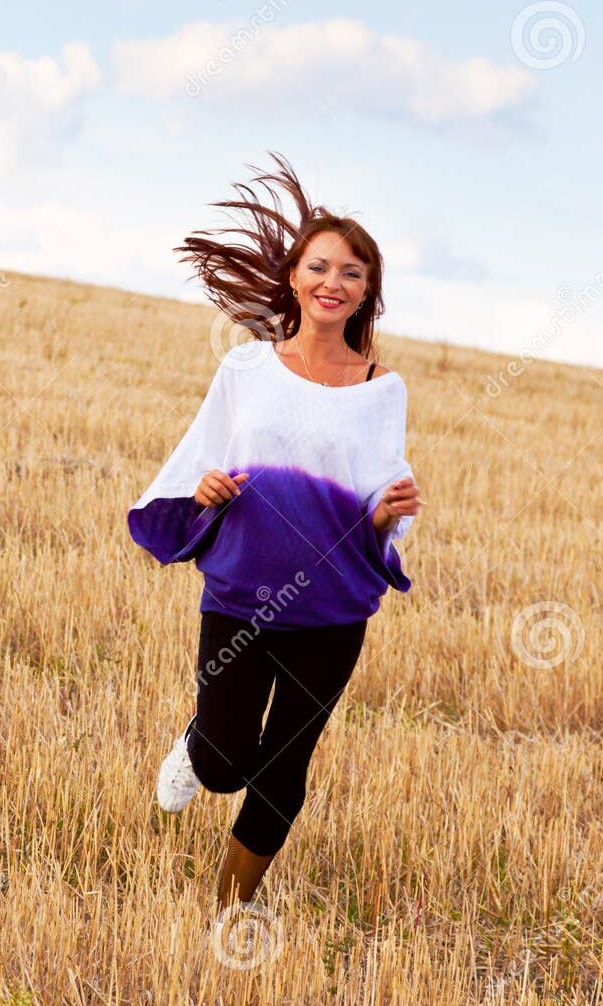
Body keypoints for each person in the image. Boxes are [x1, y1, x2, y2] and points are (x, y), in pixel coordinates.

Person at [126, 152, 425, 910]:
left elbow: (375, 497)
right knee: (227, 762)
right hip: (242, 589)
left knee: (283, 767)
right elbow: (203, 459)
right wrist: (205, 490)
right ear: (294, 276)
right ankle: (198, 747)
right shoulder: (245, 370)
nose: (334, 281)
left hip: (331, 608)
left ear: (368, 294)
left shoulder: (379, 390)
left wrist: (388, 514)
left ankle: (226, 909)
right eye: (320, 266)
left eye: (352, 272)